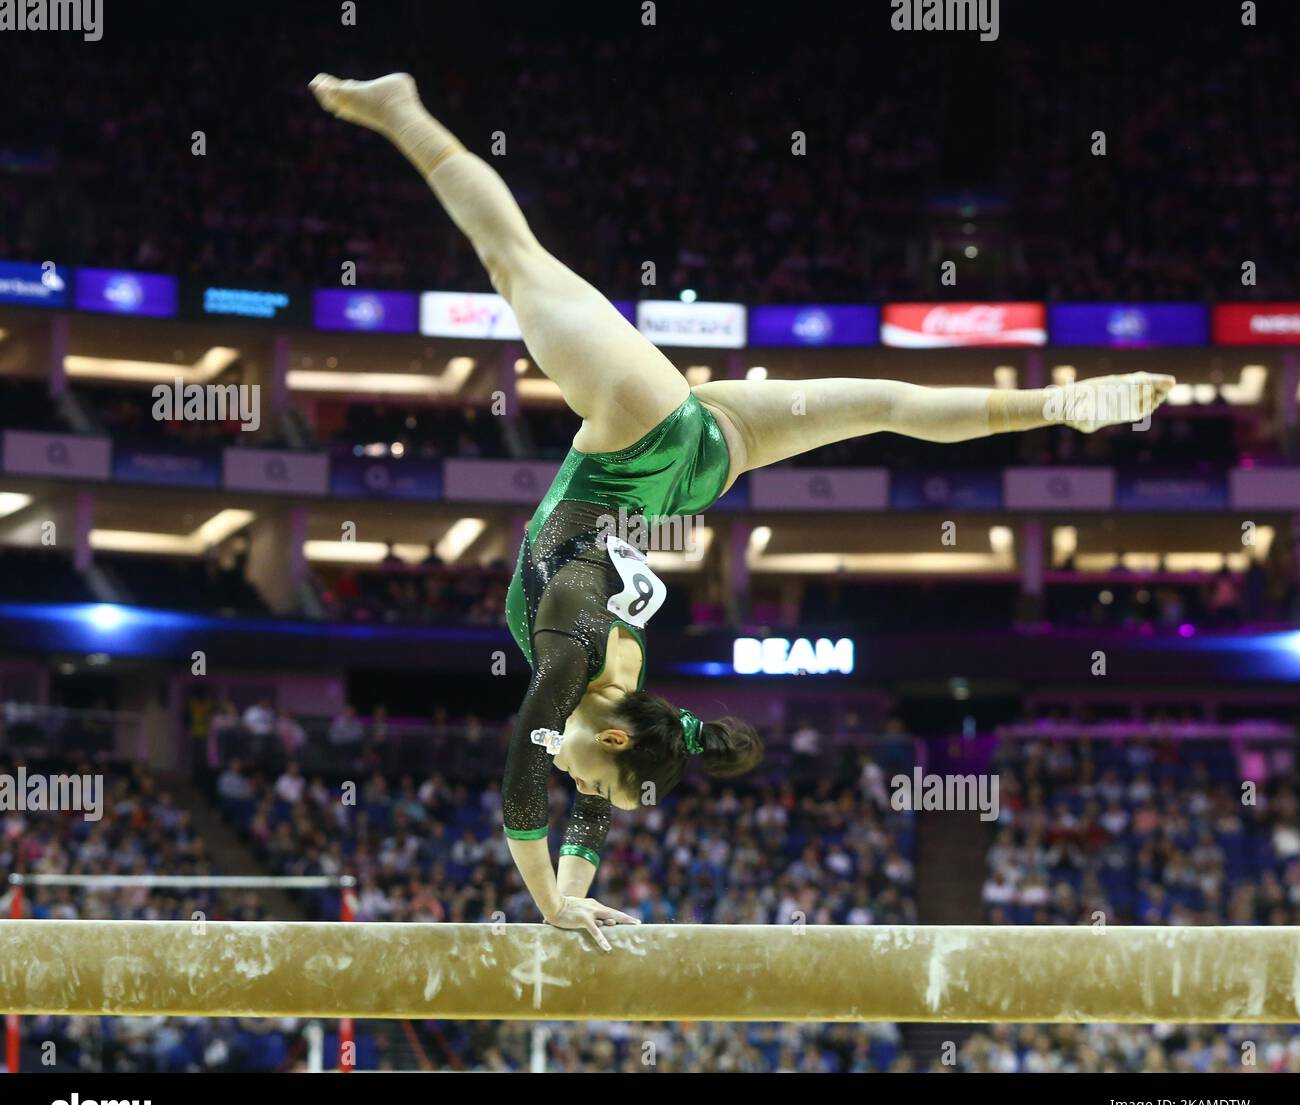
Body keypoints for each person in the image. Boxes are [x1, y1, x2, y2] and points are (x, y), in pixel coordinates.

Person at [310, 72, 1172, 949]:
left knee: (887, 406)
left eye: (600, 790)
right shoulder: (572, 659)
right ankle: (401, 108)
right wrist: (551, 905)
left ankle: (1050, 407)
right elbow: (523, 785)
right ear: (611, 731)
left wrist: (577, 898)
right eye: (599, 778)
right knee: (512, 255)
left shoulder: (617, 689)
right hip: (636, 429)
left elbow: (584, 793)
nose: (589, 794)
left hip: (698, 468)